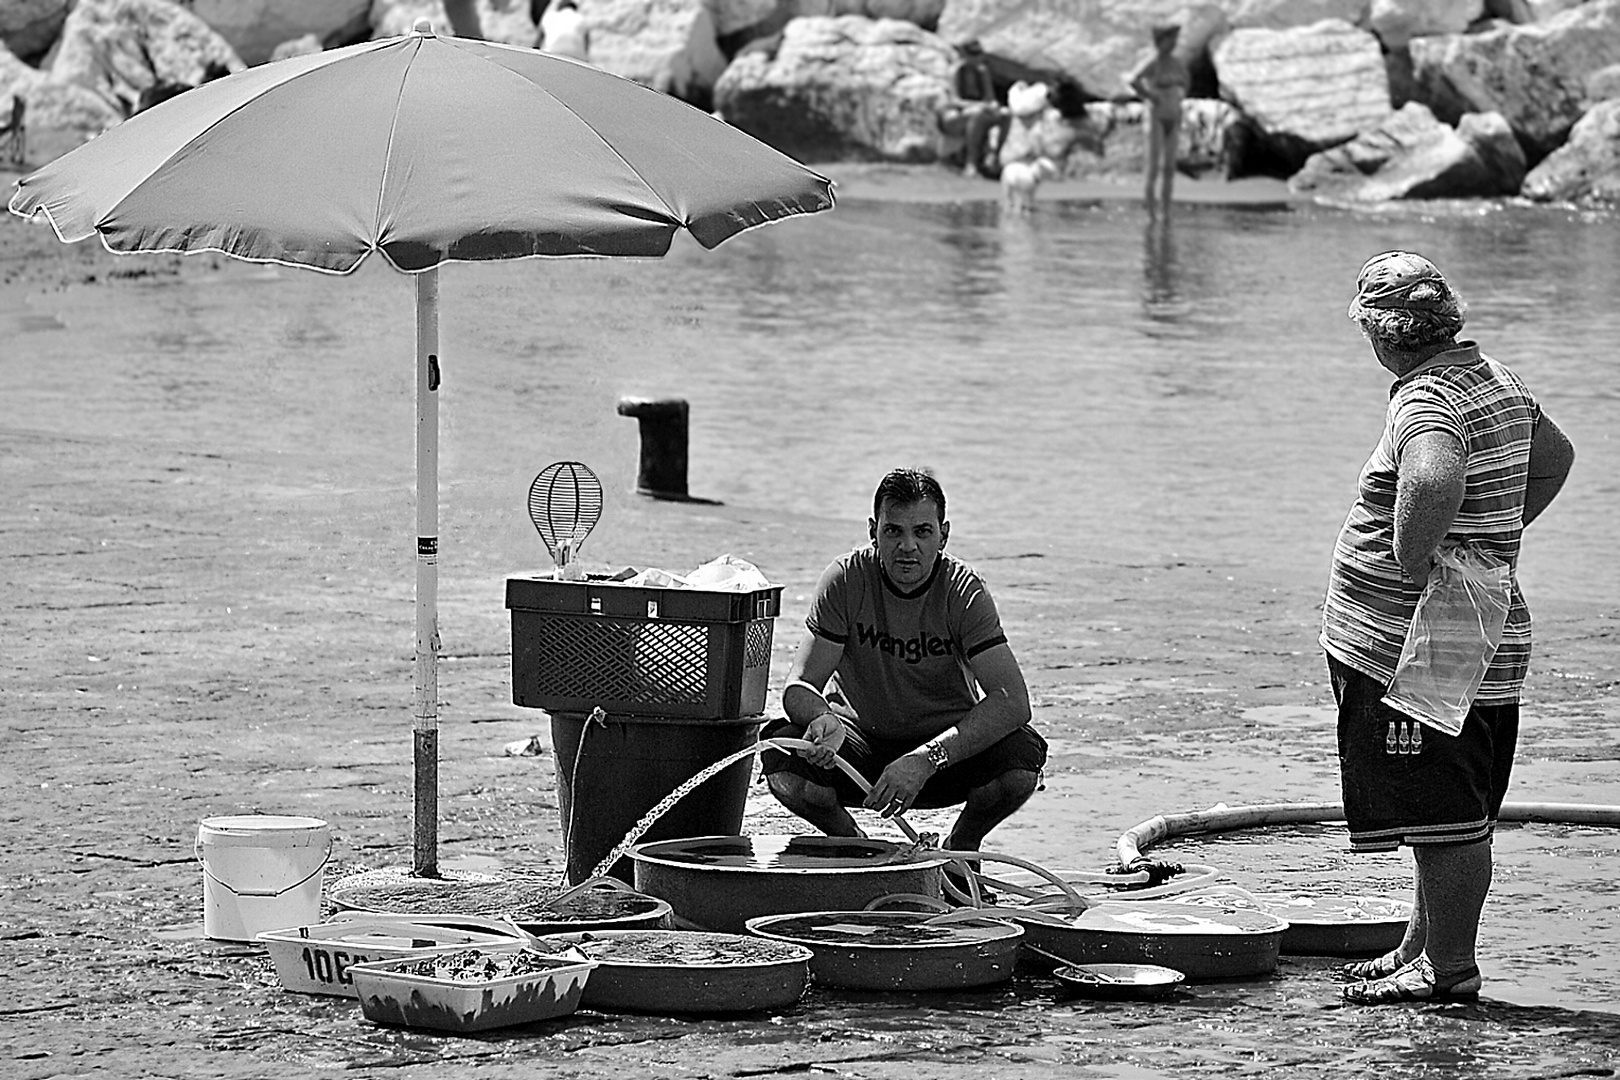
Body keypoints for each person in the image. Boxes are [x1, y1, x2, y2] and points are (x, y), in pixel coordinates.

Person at [1323, 251, 1575, 1004]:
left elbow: (1431, 476)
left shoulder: (1427, 401)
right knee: (1441, 808)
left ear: (1383, 333)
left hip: (1425, 645)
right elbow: (1556, 458)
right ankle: (1421, 944)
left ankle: (1450, 971)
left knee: (1449, 814)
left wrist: (1415, 548)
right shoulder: (1496, 378)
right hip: (1471, 627)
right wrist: (1492, 536)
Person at [759, 468, 1047, 864]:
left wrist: (928, 759)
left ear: (943, 535)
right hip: (857, 744)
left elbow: (1012, 700)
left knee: (1020, 762)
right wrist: (820, 717)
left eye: (922, 532)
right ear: (873, 531)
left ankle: (962, 848)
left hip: (945, 751)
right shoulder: (844, 580)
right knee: (782, 757)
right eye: (893, 531)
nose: (907, 546)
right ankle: (852, 842)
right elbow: (800, 685)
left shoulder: (964, 592)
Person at [1126, 23, 1190, 213]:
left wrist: (1180, 95)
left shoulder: (1177, 63)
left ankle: (1166, 208)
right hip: (1156, 114)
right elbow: (1134, 80)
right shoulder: (1153, 62)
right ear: (1160, 42)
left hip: (1173, 112)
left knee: (1169, 166)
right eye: (1169, 40)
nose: (1173, 44)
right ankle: (1150, 208)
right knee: (1153, 165)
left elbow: (1186, 81)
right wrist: (1150, 95)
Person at [945, 40, 1009, 179]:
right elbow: (955, 100)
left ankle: (995, 157)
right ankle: (971, 162)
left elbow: (989, 97)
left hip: (982, 110)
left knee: (1005, 114)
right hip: (961, 112)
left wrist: (993, 105)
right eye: (973, 54)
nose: (977, 58)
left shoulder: (982, 71)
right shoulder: (956, 71)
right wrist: (978, 106)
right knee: (978, 116)